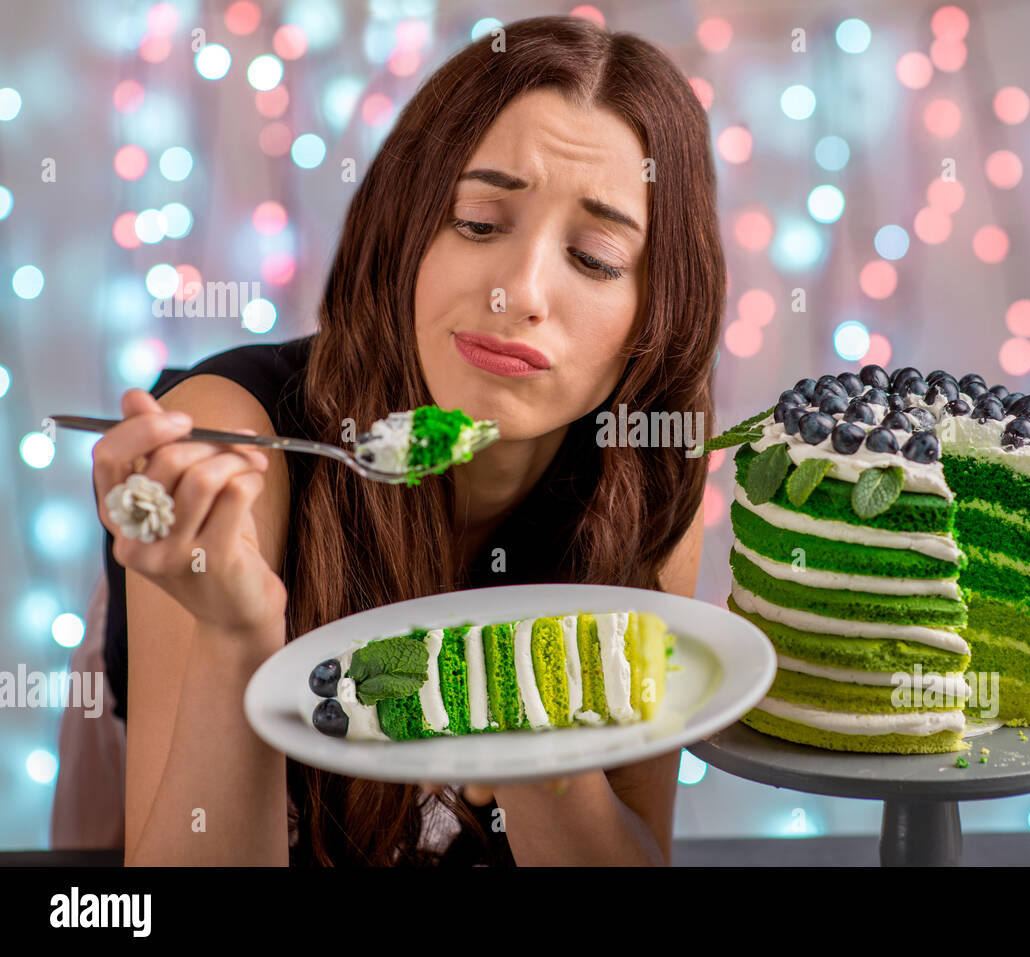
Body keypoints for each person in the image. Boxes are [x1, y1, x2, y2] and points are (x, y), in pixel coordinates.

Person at [89, 15, 724, 865]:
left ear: (657, 311)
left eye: (596, 257)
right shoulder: (243, 440)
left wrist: (531, 739)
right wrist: (240, 634)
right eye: (477, 220)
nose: (520, 292)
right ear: (406, 226)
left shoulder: (645, 478)